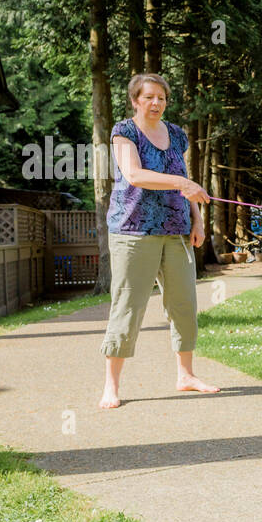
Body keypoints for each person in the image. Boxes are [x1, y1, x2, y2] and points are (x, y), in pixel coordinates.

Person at [99, 73, 221, 409]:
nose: (156, 103)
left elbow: (186, 185)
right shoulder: (124, 132)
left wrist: (197, 220)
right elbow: (135, 175)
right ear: (135, 100)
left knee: (183, 304)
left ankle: (186, 375)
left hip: (176, 229)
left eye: (162, 98)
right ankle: (111, 385)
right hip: (133, 231)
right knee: (128, 306)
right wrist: (184, 182)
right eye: (149, 97)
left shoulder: (178, 135)